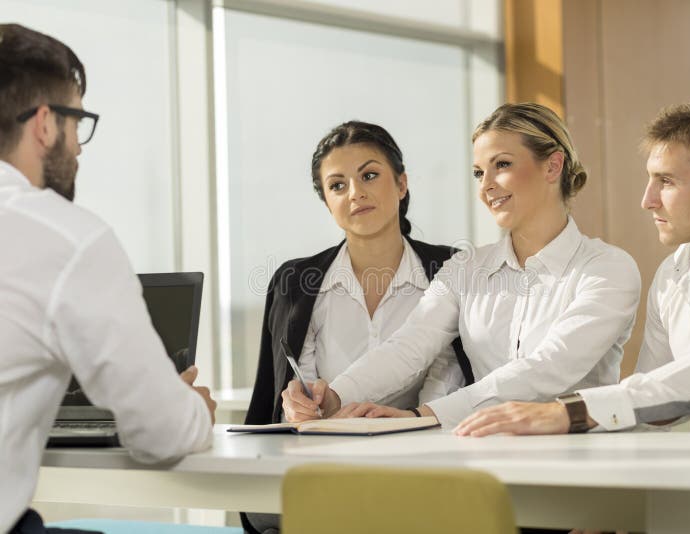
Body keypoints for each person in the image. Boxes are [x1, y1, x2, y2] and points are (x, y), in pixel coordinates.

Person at [282, 102, 641, 430]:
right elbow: (408, 346)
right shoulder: (464, 268)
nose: (486, 186)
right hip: (488, 462)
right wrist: (334, 395)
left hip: (583, 466)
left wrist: (425, 415)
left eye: (502, 165)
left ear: (553, 165)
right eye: (478, 173)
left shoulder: (608, 269)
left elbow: (549, 367)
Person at [455, 102, 690, 437]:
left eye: (665, 181)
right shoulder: (672, 275)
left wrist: (572, 411)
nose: (647, 200)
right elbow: (651, 405)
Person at [0, 24, 216, 533]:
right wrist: (190, 406)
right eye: (78, 122)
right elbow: (162, 433)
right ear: (46, 124)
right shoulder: (68, 238)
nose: (78, 147)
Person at [241, 121, 473, 534]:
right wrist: (298, 405)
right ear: (326, 202)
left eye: (369, 175)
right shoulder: (294, 281)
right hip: (320, 464)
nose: (355, 193)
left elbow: (450, 380)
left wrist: (409, 420)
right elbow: (279, 391)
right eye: (337, 185)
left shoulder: (452, 269)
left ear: (401, 184)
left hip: (426, 463)